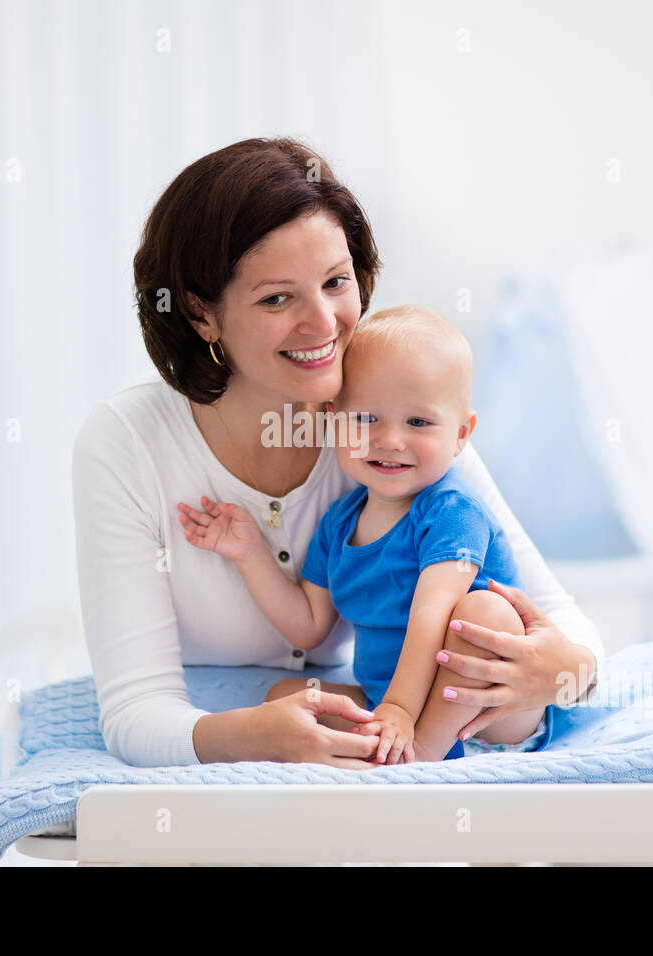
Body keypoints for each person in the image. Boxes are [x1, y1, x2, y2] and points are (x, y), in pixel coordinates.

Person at [72, 136, 602, 768]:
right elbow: (136, 713)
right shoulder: (126, 443)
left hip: (406, 725)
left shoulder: (399, 424)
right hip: (287, 735)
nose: (323, 322)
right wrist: (259, 739)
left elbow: (565, 629)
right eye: (276, 297)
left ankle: (420, 763)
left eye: (335, 282)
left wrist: (572, 673)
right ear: (200, 313)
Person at [176, 305, 542, 765]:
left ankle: (420, 756)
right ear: (334, 421)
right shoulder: (341, 521)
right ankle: (385, 742)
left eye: (418, 422)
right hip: (392, 702)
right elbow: (308, 627)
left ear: (461, 433)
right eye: (366, 419)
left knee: (483, 613)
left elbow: (433, 613)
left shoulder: (452, 511)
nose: (389, 439)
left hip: (489, 711)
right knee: (286, 697)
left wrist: (399, 709)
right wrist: (249, 553)